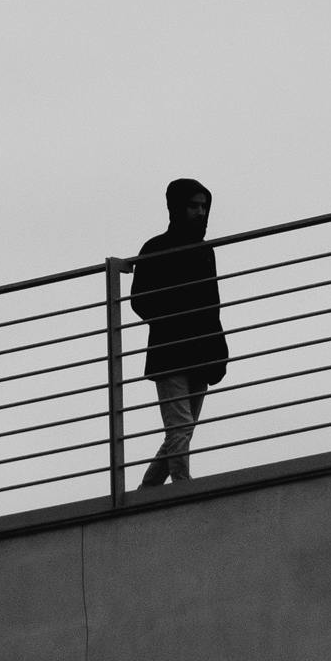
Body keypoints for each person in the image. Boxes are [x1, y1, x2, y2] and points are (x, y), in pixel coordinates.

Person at [128, 177, 227, 490]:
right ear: (177, 207)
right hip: (170, 352)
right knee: (181, 427)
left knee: (182, 429)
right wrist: (174, 318)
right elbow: (140, 300)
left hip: (200, 351)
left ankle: (148, 490)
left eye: (204, 206)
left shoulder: (204, 251)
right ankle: (183, 488)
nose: (200, 212)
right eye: (193, 206)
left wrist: (219, 350)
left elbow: (212, 305)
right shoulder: (155, 248)